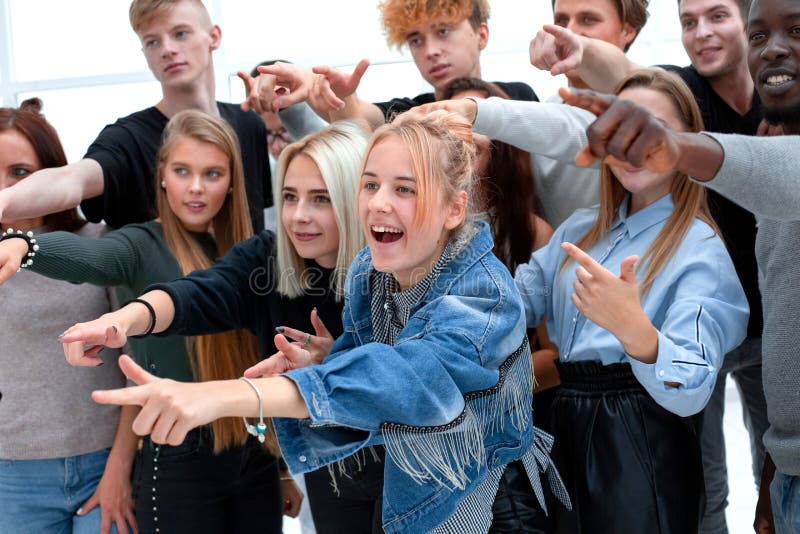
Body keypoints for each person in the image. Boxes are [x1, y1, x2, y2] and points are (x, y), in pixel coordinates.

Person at [59, 111, 569, 533]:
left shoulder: (483, 295)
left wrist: (217, 396)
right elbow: (369, 353)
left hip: (488, 505)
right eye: (371, 184)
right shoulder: (375, 267)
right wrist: (332, 357)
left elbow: (406, 377)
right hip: (409, 493)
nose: (380, 202)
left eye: (405, 189)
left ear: (456, 208)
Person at [559, 1, 800, 528]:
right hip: (780, 434)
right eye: (688, 22)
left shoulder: (768, 124)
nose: (775, 47)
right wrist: (781, 465)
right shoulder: (692, 89)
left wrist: (674, 146)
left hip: (728, 331)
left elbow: (785, 172)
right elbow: (624, 83)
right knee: (709, 491)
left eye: (718, 17)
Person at [0, 110, 287, 533]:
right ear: (163, 176)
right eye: (182, 171)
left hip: (255, 451)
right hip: (173, 457)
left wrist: (283, 467)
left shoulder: (255, 251)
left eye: (211, 173)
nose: (195, 187)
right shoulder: (139, 243)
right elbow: (89, 257)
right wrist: (25, 245)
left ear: (231, 181)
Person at [513, 69, 748, 533]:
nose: (633, 145)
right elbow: (512, 302)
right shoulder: (578, 229)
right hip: (564, 424)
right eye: (621, 129)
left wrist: (637, 332)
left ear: (687, 141)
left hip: (642, 439)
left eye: (652, 128)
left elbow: (693, 388)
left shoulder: (699, 248)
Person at [0, 0, 271, 233]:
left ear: (213, 37)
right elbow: (71, 180)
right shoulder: (126, 140)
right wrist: (5, 201)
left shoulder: (249, 124)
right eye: (152, 41)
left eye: (180, 33)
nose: (167, 49)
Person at [0, 99, 128, 534]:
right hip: (12, 479)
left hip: (106, 464)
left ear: (53, 173)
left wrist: (119, 471)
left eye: (19, 172)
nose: (5, 190)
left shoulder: (101, 243)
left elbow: (136, 365)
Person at [241, 0, 538, 137]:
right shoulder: (411, 112)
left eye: (444, 31)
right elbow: (361, 113)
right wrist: (309, 83)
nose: (431, 50)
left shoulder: (516, 96)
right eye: (416, 39)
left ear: (481, 35)